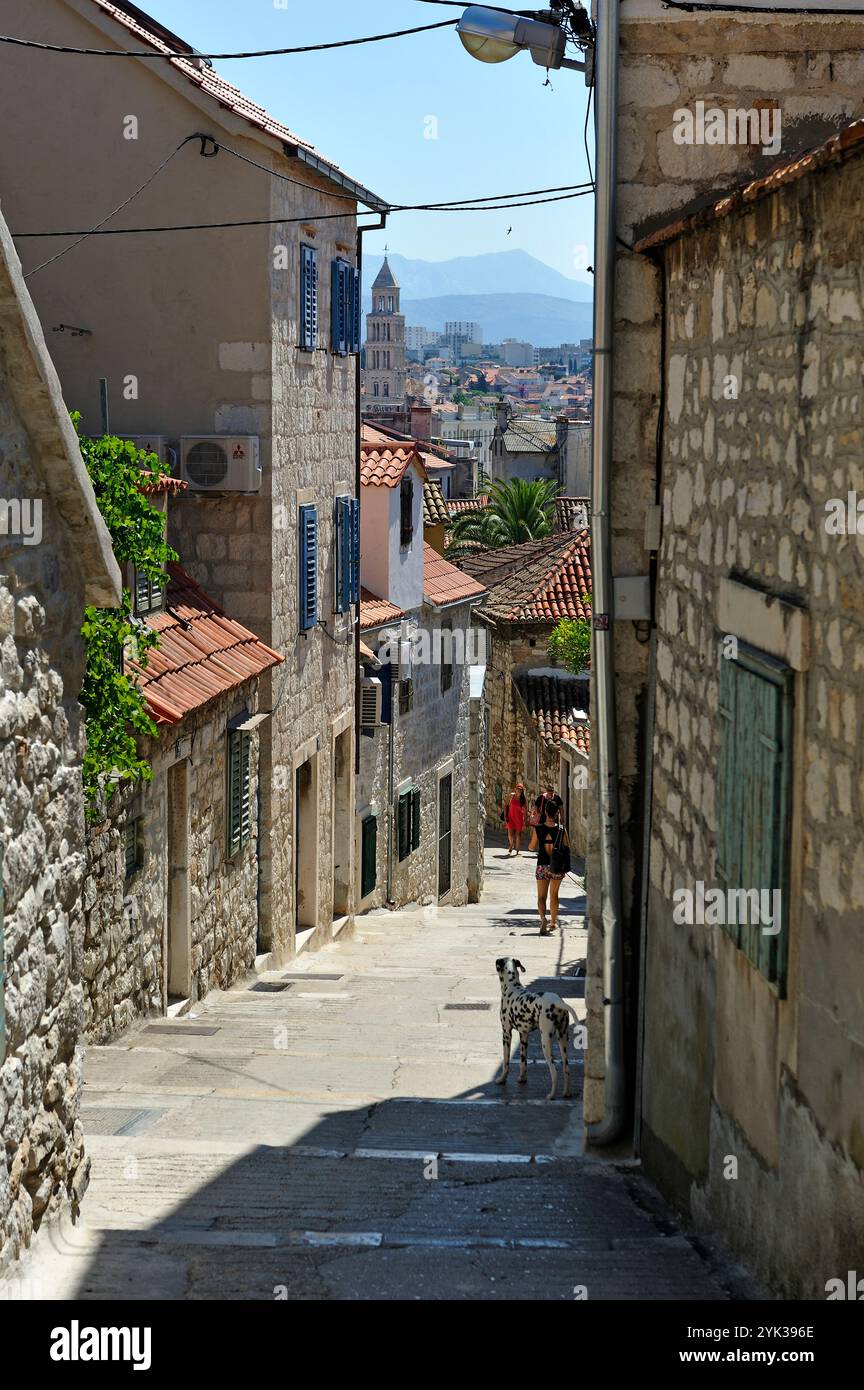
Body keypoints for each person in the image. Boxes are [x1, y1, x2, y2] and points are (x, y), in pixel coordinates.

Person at [529, 799, 571, 935]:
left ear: (545, 812)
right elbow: (567, 847)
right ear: (557, 812)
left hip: (542, 865)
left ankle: (543, 919)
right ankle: (553, 923)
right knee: (554, 895)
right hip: (556, 866)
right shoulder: (561, 829)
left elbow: (531, 847)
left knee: (541, 897)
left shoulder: (538, 828)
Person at [504, 783, 527, 855]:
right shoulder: (511, 796)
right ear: (515, 789)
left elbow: (525, 811)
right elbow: (506, 805)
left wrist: (525, 821)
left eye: (521, 789)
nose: (519, 790)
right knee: (510, 834)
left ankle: (517, 849)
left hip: (519, 819)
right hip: (510, 817)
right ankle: (511, 845)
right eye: (518, 789)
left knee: (518, 835)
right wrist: (505, 816)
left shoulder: (523, 799)